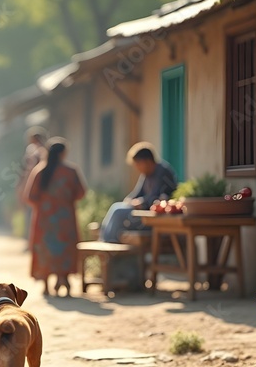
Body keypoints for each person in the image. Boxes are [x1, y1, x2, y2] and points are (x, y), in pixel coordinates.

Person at [24, 138, 86, 296]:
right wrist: (65, 200)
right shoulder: (71, 171)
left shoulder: (40, 171)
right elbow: (81, 193)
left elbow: (30, 196)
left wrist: (45, 204)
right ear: (64, 153)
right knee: (65, 248)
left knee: (45, 249)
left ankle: (46, 284)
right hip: (65, 218)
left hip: (44, 219)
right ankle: (63, 280)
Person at [99, 141, 178, 243]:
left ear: (147, 161)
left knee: (118, 213)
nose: (137, 168)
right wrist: (129, 200)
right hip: (143, 213)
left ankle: (108, 243)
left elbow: (156, 198)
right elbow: (136, 193)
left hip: (155, 219)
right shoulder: (146, 174)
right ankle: (105, 241)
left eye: (138, 164)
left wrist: (142, 203)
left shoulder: (163, 172)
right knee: (116, 207)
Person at [18, 127, 48, 245]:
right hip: (37, 186)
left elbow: (29, 170)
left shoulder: (37, 151)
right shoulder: (41, 151)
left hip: (35, 186)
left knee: (32, 214)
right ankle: (33, 241)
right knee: (32, 213)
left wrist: (22, 185)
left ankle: (32, 242)